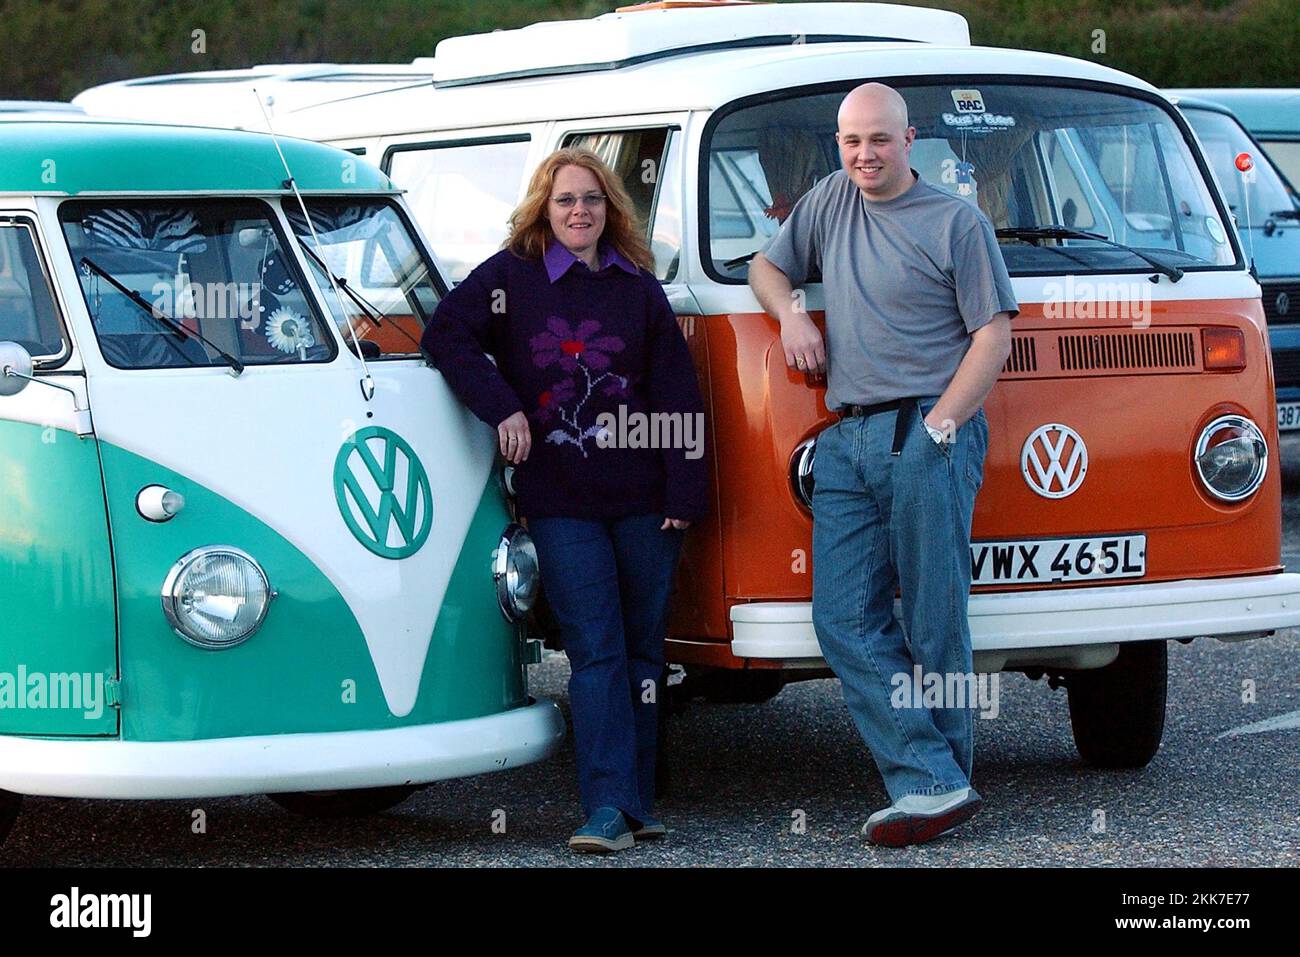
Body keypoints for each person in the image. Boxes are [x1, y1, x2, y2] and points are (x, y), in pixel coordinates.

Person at [748, 83, 1018, 846]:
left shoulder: (957, 222)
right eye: (851, 141)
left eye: (878, 140)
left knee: (936, 619)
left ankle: (937, 785)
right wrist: (792, 313)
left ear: (909, 140)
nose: (864, 155)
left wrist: (939, 429)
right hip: (848, 436)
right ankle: (934, 779)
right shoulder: (831, 198)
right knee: (842, 620)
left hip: (929, 429)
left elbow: (993, 335)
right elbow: (767, 269)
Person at [420, 147, 708, 853]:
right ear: (543, 210)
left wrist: (684, 486)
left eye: (592, 199)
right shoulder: (509, 278)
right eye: (566, 200)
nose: (580, 211)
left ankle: (636, 803)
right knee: (597, 651)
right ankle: (607, 806)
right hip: (561, 503)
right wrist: (502, 407)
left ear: (611, 208)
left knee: (643, 655)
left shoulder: (638, 287)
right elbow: (445, 335)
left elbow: (676, 392)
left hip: (646, 502)